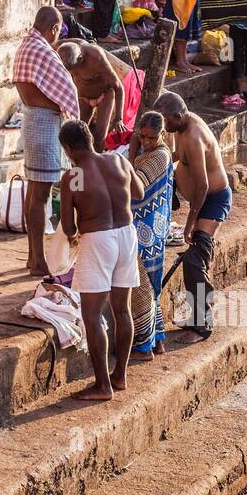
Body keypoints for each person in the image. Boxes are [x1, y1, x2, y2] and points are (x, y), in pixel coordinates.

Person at [57, 120, 140, 401]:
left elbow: (68, 227)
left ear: (68, 149)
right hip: (127, 235)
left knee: (92, 315)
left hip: (97, 240)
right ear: (91, 139)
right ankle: (120, 375)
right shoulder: (117, 160)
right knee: (122, 309)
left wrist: (70, 234)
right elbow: (138, 192)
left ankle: (103, 385)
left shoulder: (72, 176)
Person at [155, 92, 231, 339]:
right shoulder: (180, 126)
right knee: (193, 259)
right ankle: (196, 317)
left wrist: (189, 225)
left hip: (213, 199)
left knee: (195, 258)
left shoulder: (194, 136)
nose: (166, 127)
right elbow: (178, 158)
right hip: (200, 197)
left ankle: (202, 325)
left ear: (178, 116)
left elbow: (203, 187)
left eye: (167, 122)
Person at [12, 6, 80, 276]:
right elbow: (65, 89)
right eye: (58, 31)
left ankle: (33, 256)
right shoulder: (40, 49)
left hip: (34, 121)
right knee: (39, 195)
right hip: (42, 123)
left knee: (35, 193)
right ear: (53, 28)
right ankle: (38, 260)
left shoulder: (27, 46)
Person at [127, 112, 176, 359]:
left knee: (143, 285)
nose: (146, 141)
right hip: (148, 225)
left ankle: (144, 346)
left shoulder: (159, 155)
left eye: (151, 137)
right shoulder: (149, 152)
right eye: (142, 136)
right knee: (150, 284)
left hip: (148, 229)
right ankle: (158, 340)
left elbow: (137, 183)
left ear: (162, 134)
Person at [58, 39, 131, 151]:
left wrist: (118, 118)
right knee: (77, 134)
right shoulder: (62, 49)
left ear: (81, 58)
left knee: (99, 137)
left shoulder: (96, 57)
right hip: (83, 97)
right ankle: (78, 164)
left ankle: (96, 163)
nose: (74, 72)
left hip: (104, 95)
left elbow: (118, 87)